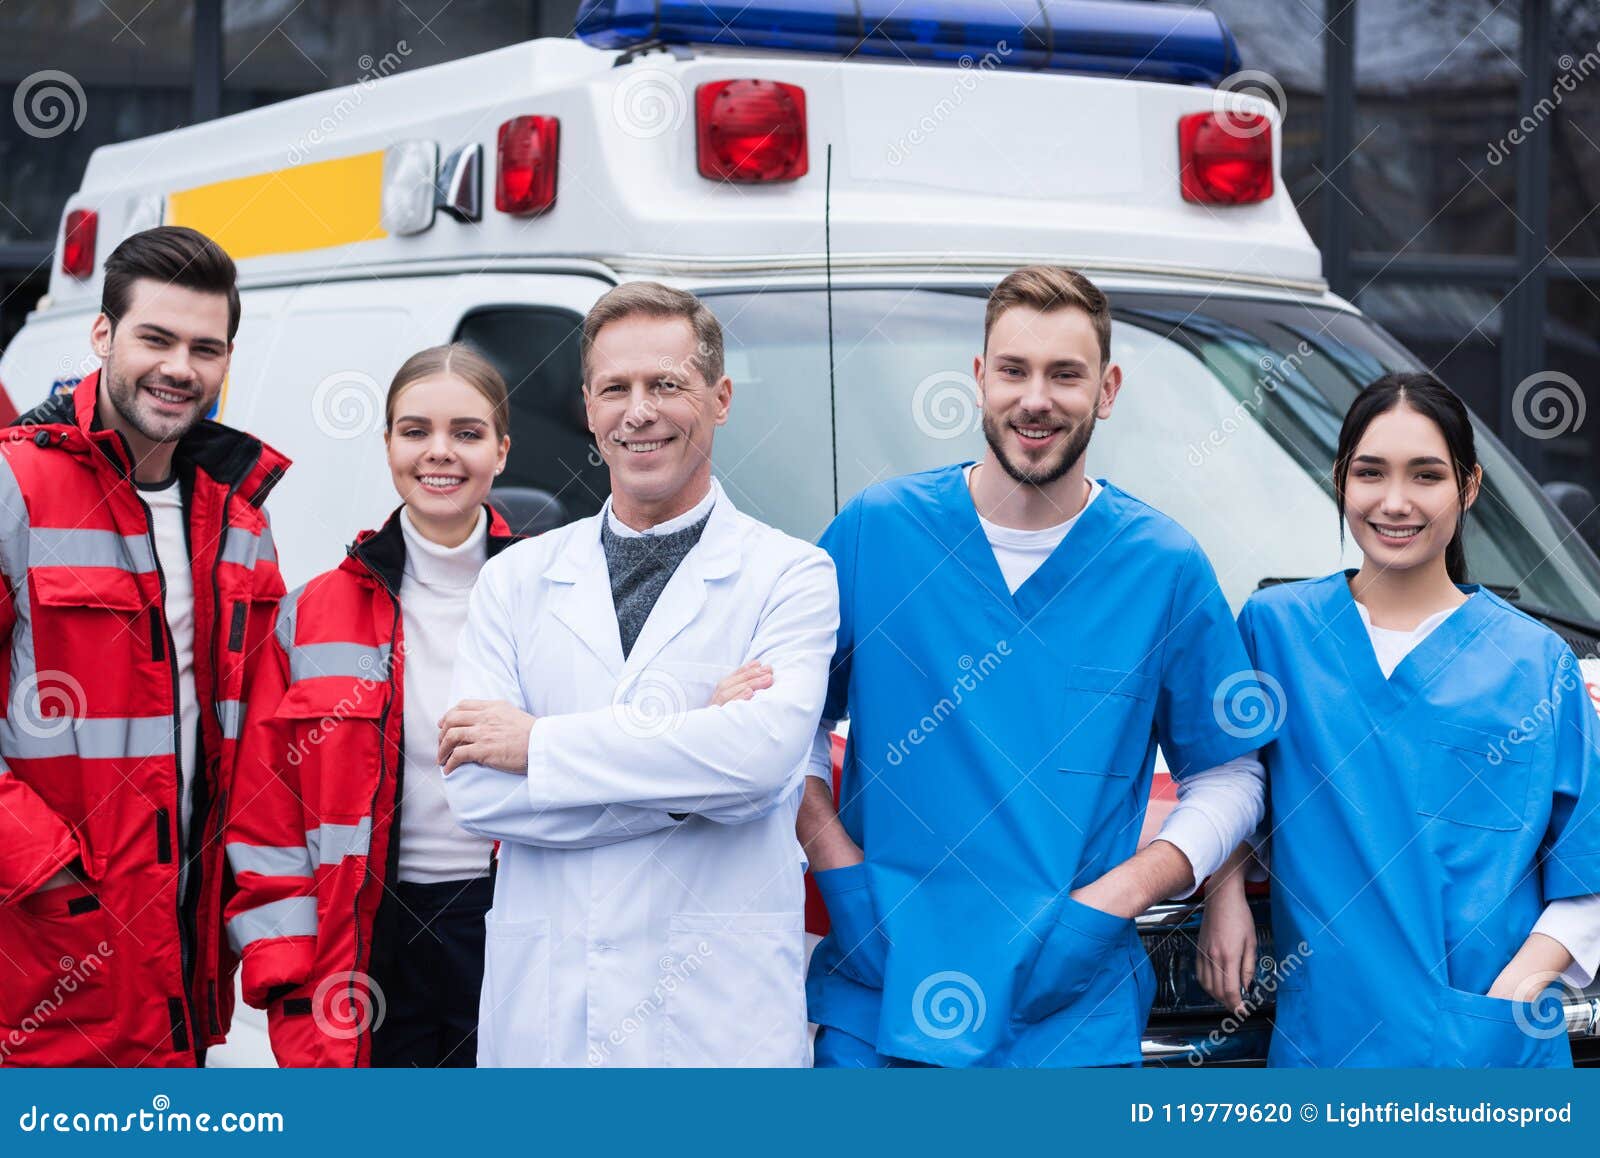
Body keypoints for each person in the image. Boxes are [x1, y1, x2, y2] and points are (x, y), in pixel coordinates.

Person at [799, 265, 1274, 1068]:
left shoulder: (1160, 567)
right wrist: (838, 867)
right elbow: (789, 723)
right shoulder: (877, 534)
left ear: (1108, 388)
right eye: (1014, 370)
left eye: (1066, 374)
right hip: (882, 992)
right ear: (980, 379)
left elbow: (1231, 773)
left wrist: (1119, 896)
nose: (1036, 399)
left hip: (1068, 1015)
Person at [437, 282, 837, 1067]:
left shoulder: (791, 575)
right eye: (615, 388)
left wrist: (539, 747)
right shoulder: (515, 581)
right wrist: (694, 792)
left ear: (719, 399)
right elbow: (475, 792)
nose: (639, 410)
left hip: (714, 1028)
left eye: (667, 385)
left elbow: (758, 764)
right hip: (549, 1021)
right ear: (587, 407)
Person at [1197, 372, 1600, 1067]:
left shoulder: (1537, 666)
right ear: (1340, 481)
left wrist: (1511, 995)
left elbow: (1589, 869)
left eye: (1426, 476)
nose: (1395, 502)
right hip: (1327, 1045)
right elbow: (1229, 782)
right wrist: (1224, 890)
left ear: (1468, 488)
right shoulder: (1275, 634)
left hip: (1489, 1056)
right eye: (1370, 473)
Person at [0, 226, 289, 1066]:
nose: (179, 368)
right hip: (43, 971)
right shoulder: (17, 488)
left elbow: (258, 739)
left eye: (205, 348)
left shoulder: (240, 517)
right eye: (155, 338)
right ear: (103, 336)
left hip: (183, 978)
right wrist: (54, 879)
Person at [223, 344, 522, 1067]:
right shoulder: (313, 614)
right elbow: (264, 813)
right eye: (415, 431)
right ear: (387, 444)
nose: (439, 453)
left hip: (516, 928)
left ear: (502, 451)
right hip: (365, 939)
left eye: (468, 433)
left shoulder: (555, 594)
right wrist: (288, 975)